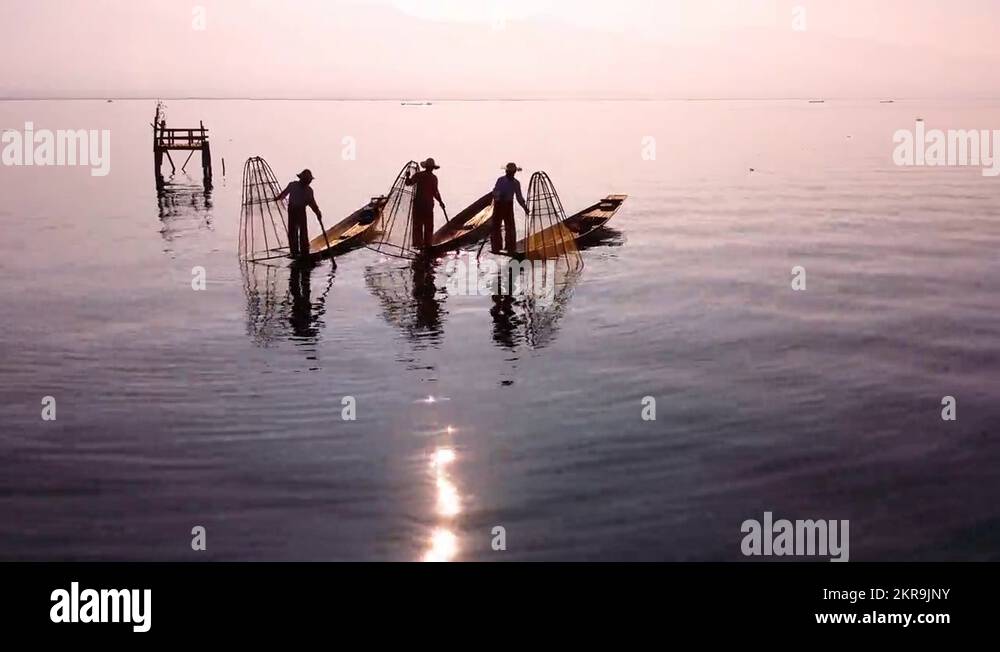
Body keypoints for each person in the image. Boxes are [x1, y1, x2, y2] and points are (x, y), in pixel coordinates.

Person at [276, 169, 322, 259]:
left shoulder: (308, 190)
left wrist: (317, 212)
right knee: (293, 232)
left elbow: (312, 203)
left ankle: (303, 252)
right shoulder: (293, 185)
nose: (308, 182)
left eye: (309, 181)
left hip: (300, 211)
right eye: (307, 180)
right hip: (293, 211)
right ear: (302, 179)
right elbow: (283, 195)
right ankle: (295, 252)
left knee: (302, 232)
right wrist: (277, 199)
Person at [405, 158, 445, 250]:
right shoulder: (433, 178)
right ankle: (427, 246)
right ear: (432, 168)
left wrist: (407, 176)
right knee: (428, 226)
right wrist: (440, 202)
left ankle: (419, 246)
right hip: (427, 206)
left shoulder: (419, 175)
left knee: (418, 227)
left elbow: (408, 183)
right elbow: (436, 193)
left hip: (419, 205)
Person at [491, 162, 528, 254]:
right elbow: (495, 192)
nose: (511, 174)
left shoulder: (516, 183)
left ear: (514, 172)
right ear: (507, 172)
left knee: (510, 227)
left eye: (512, 172)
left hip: (508, 205)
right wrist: (498, 197)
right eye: (509, 172)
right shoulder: (500, 180)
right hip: (499, 205)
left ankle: (510, 247)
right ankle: (496, 247)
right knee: (496, 227)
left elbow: (519, 197)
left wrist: (525, 208)